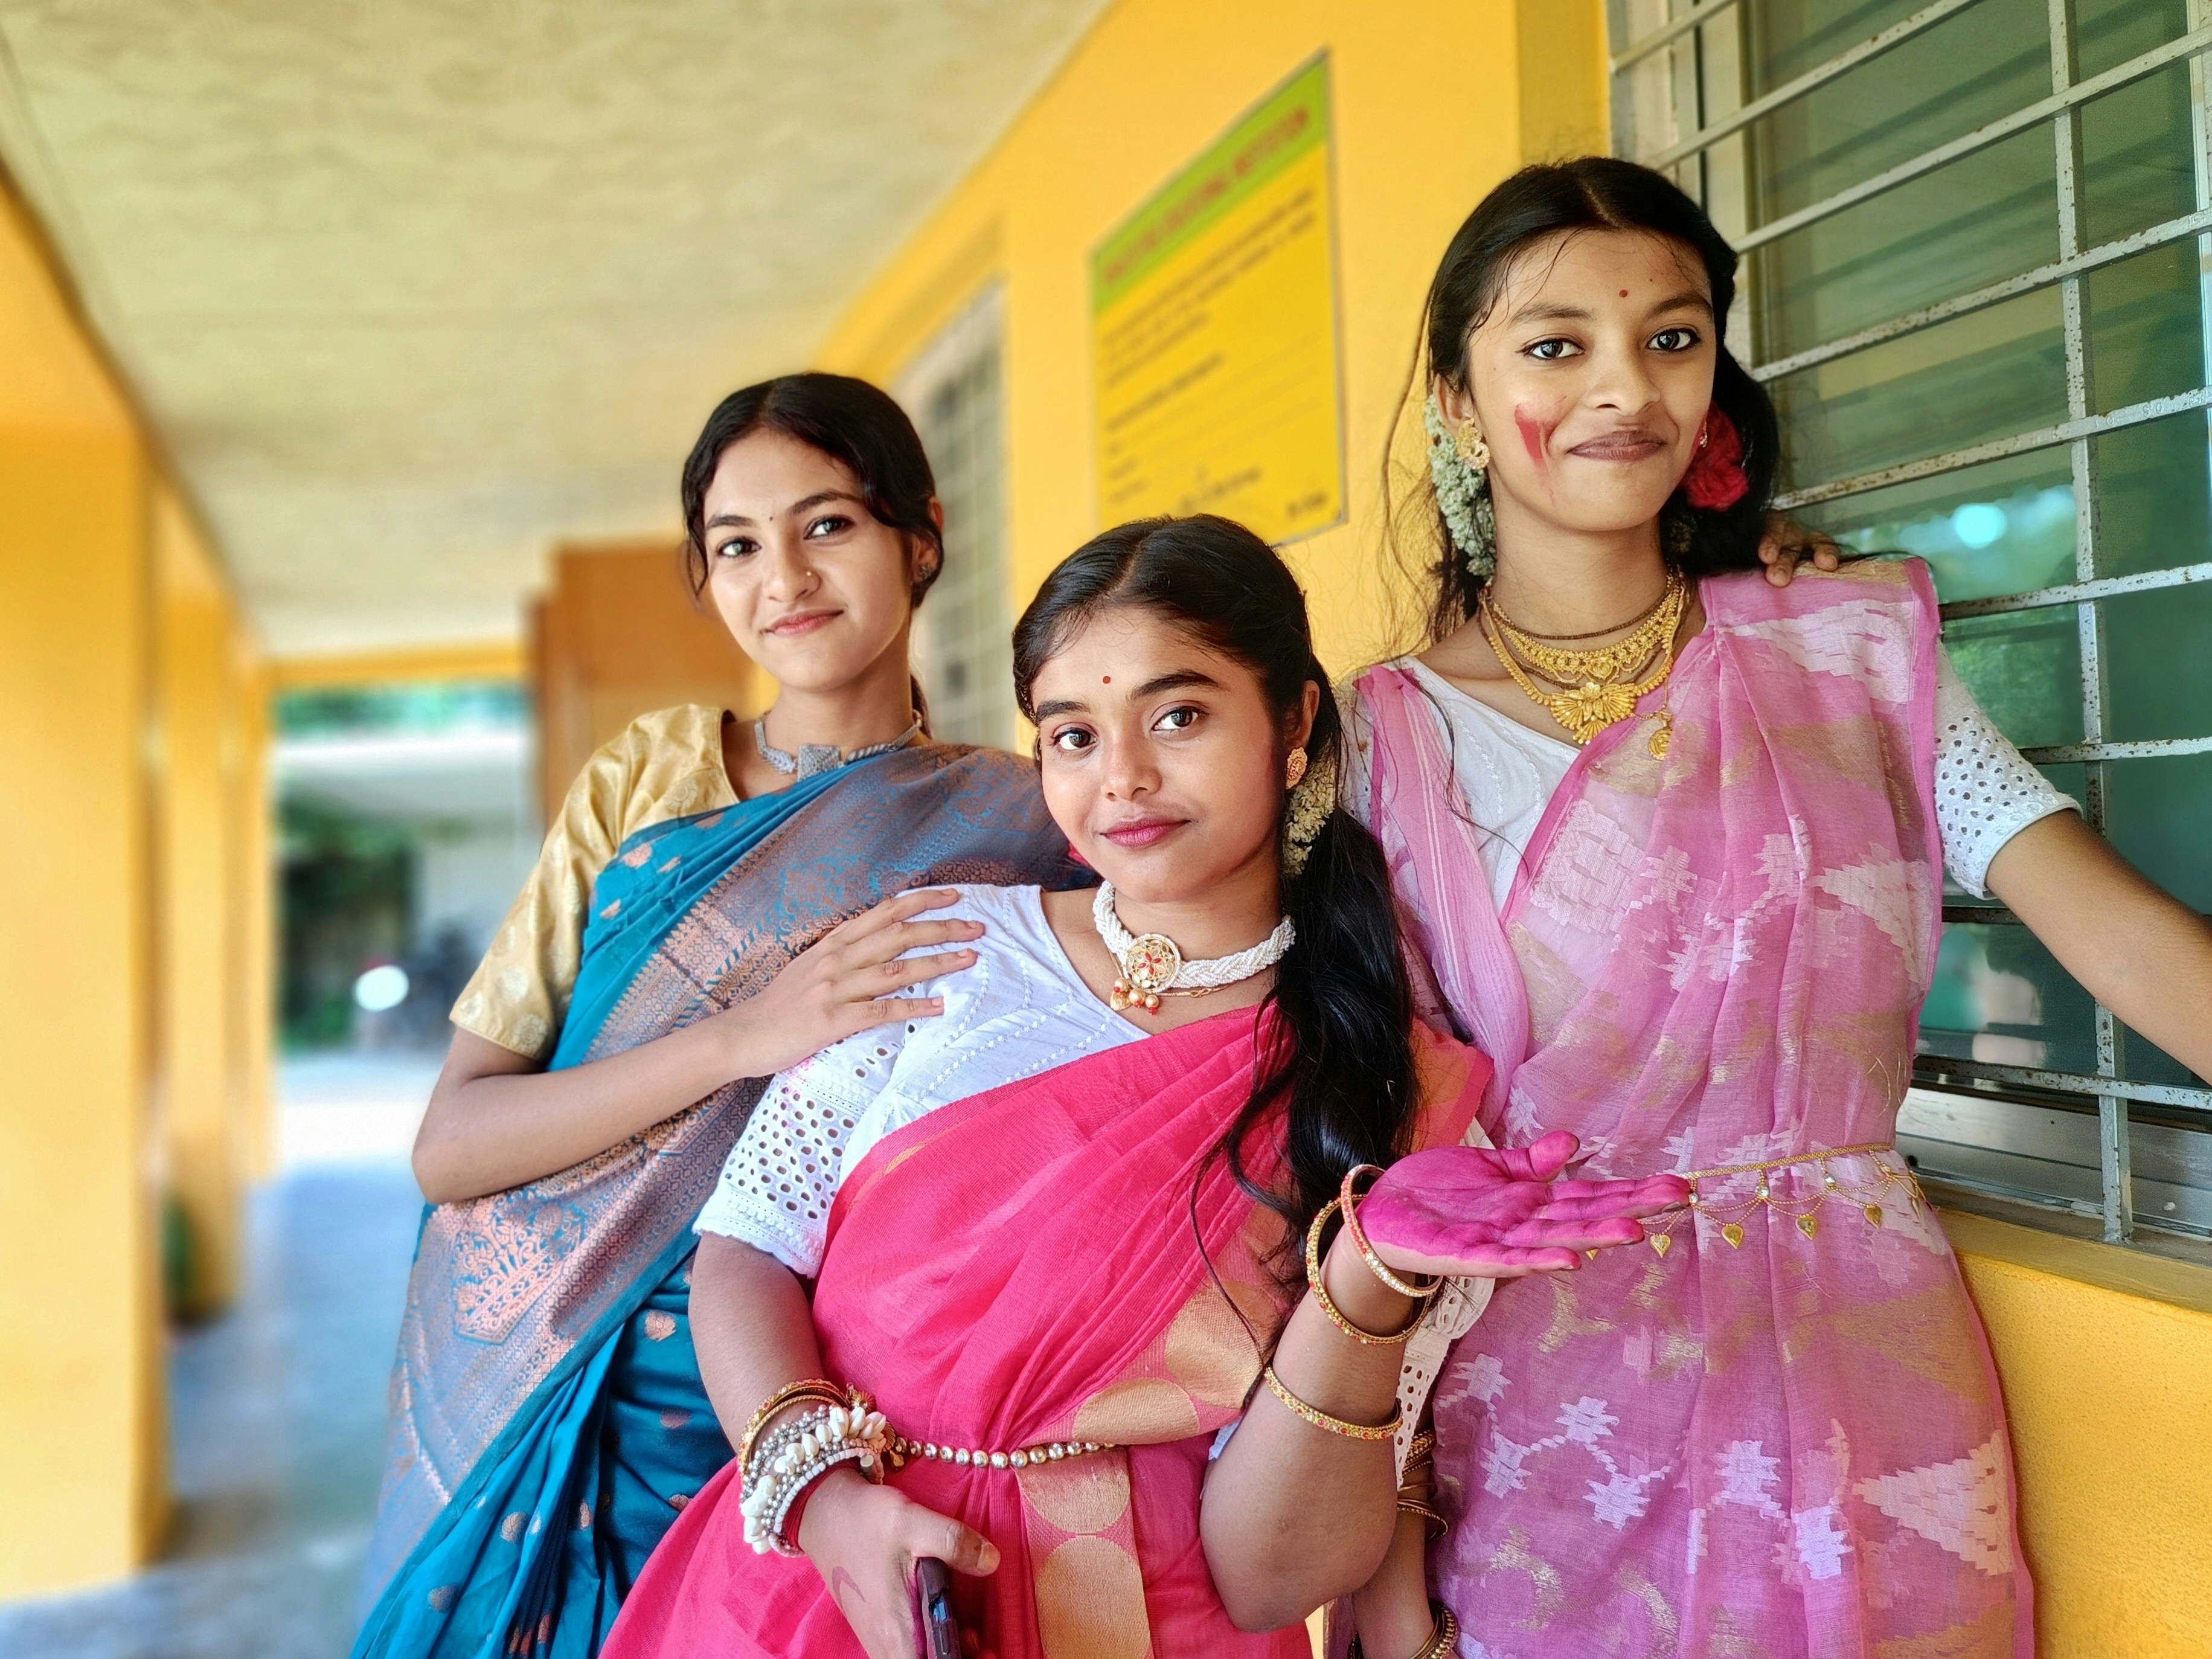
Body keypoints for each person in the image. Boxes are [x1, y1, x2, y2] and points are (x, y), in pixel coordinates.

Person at [1341, 158, 2212, 1658]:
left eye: (1670, 338)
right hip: (1540, 1422)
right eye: (1554, 345)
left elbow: (2107, 928)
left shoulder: (1847, 663)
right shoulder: (1369, 747)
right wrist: (1377, 1564)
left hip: (1864, 1384)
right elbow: (1361, 1147)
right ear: (1453, 400)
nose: (1624, 386)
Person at [595, 516, 1686, 1659]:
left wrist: (1363, 1285)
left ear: (1294, 723)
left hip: (1157, 1623)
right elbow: (750, 1246)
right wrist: (819, 1498)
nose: (1122, 778)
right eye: (1071, 735)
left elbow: (1274, 1581)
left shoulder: (1394, 1087)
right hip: (817, 1592)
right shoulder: (945, 951)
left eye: (1179, 716)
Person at [353, 374, 1088, 1659]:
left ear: (919, 535)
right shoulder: (648, 780)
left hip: (820, 1398)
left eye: (827, 526)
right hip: (560, 1377)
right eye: (736, 547)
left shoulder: (1020, 821)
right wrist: (746, 1035)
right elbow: (453, 1145)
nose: (783, 578)